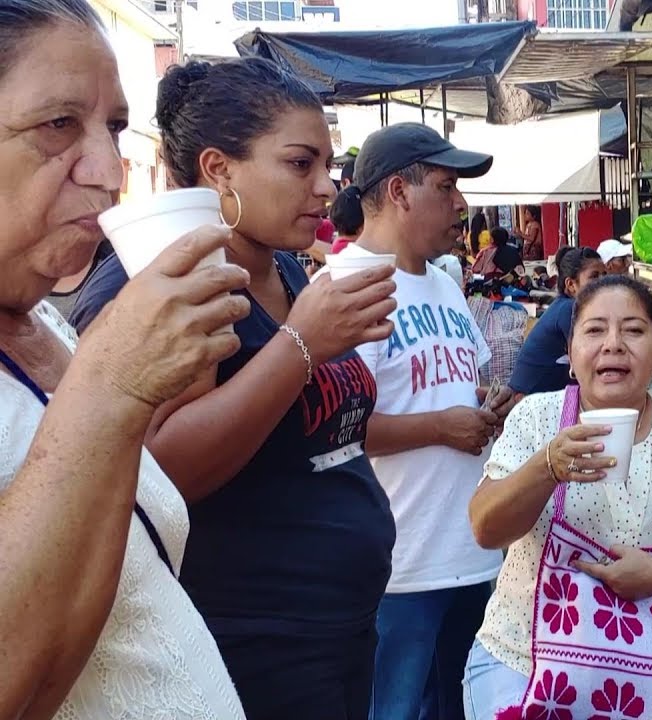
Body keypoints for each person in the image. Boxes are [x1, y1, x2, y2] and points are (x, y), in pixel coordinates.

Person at [70, 56, 398, 720]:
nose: (325, 188)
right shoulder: (164, 279)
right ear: (219, 169)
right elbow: (162, 471)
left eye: (328, 166)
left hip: (339, 634)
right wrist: (300, 345)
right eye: (300, 164)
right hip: (250, 647)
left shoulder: (286, 270)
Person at [0, 1, 250, 716]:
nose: (109, 171)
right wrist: (112, 383)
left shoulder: (47, 323)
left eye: (113, 127)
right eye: (57, 125)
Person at [463, 274, 652, 719]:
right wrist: (546, 466)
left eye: (633, 329)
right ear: (570, 355)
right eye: (594, 330)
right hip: (522, 664)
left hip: (649, 678)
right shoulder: (537, 416)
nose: (613, 344)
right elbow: (485, 527)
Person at [322, 123, 514, 720]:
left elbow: (461, 385)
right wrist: (439, 427)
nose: (462, 207)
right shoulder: (346, 287)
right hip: (400, 566)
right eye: (447, 187)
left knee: (464, 706)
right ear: (399, 192)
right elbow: (332, 429)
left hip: (469, 552)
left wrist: (491, 406)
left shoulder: (445, 284)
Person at [508, 247, 605, 395]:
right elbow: (588, 357)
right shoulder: (569, 309)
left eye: (604, 275)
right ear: (571, 285)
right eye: (594, 276)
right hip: (530, 396)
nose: (603, 282)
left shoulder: (566, 305)